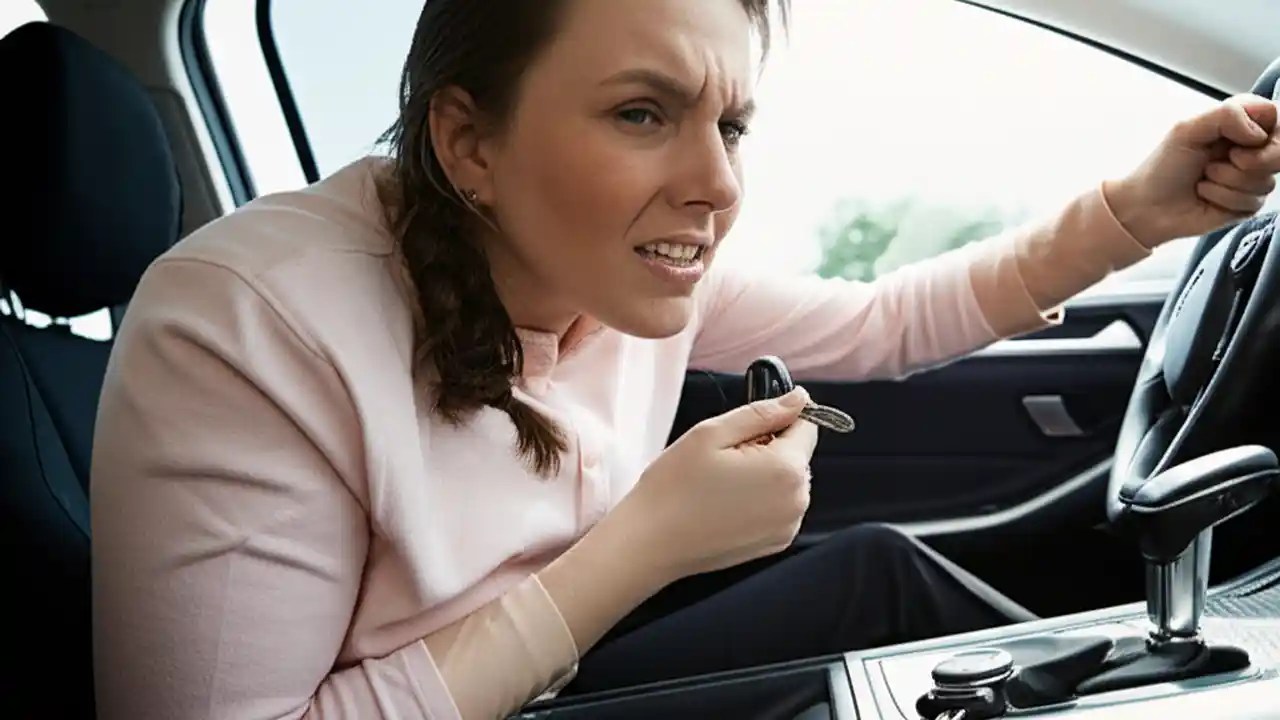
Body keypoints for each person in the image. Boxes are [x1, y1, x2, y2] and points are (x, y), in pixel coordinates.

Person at [89, 0, 1280, 718]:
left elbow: (885, 323)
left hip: (550, 680)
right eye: (641, 113)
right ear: (468, 141)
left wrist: (1136, 208)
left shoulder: (602, 262)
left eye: (730, 123)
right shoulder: (247, 324)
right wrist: (648, 540)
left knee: (877, 573)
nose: (715, 184)